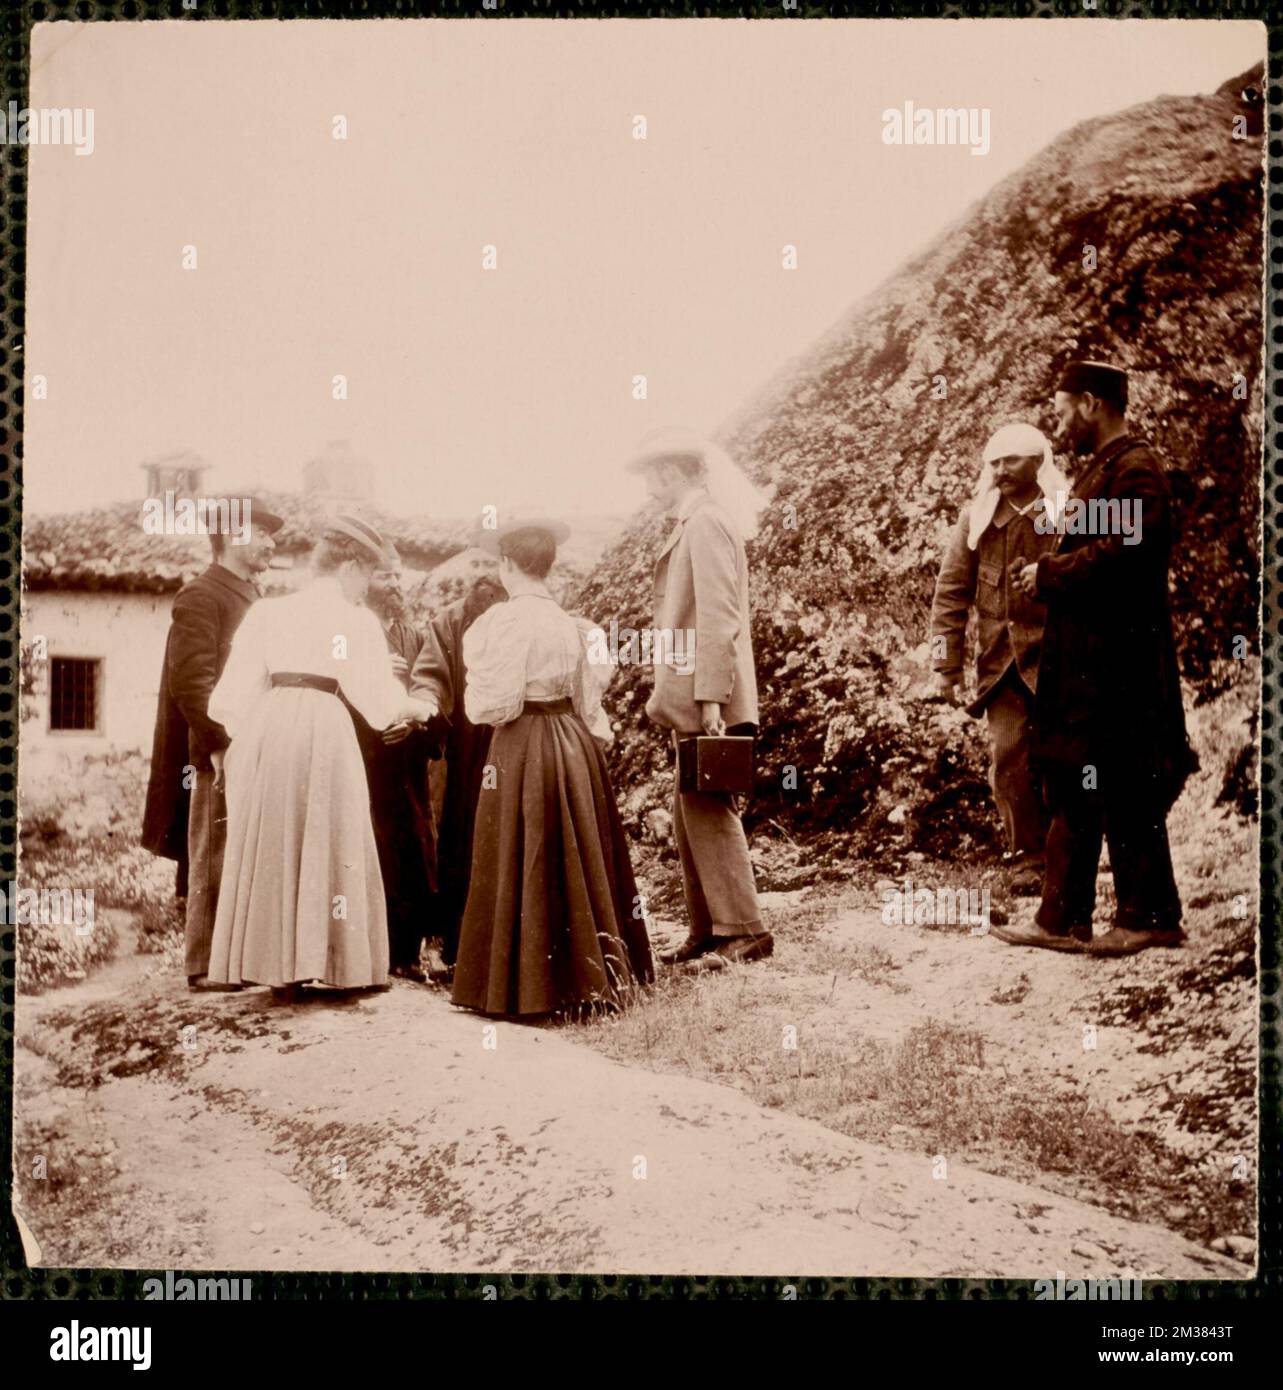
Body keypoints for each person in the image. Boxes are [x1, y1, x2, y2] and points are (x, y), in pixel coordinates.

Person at [998, 360, 1197, 956]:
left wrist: (1048, 573)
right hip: (1089, 663)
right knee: (1073, 780)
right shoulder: (1104, 470)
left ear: (1091, 403)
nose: (1059, 423)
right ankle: (1061, 916)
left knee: (1127, 781)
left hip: (1123, 664)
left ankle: (1150, 916)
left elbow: (1124, 556)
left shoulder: (1137, 471)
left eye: (1063, 410)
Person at [205, 515, 436, 999]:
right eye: (369, 576)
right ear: (350, 567)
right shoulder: (354, 621)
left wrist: (249, 741)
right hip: (326, 726)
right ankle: (335, 962)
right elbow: (378, 698)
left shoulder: (268, 613)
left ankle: (276, 963)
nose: (369, 589)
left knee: (279, 838)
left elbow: (231, 696)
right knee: (330, 836)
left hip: (270, 722)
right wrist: (421, 707)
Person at [450, 519, 654, 1019]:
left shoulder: (499, 623)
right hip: (571, 741)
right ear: (547, 564)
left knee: (520, 849)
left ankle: (523, 985)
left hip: (520, 743)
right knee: (576, 848)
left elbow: (490, 706)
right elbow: (589, 702)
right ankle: (587, 975)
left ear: (506, 565)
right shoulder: (574, 626)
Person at [625, 431, 771, 970]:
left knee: (710, 807)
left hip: (708, 695)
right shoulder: (695, 522)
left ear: (672, 474)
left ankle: (745, 929)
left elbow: (719, 615)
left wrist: (712, 696)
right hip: (693, 693)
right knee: (691, 807)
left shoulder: (706, 522)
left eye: (651, 480)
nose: (648, 491)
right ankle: (707, 928)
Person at [140, 498, 283, 991]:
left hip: (248, 742)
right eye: (262, 533)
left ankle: (235, 960)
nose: (271, 543)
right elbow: (191, 682)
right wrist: (222, 743)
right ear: (233, 537)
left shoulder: (251, 597)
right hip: (217, 751)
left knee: (239, 850)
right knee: (213, 853)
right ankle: (204, 964)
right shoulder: (201, 596)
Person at [928, 423, 1068, 894]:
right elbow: (949, 596)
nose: (1002, 471)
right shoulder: (976, 519)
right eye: (995, 463)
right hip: (1000, 667)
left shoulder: (1067, 511)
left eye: (1012, 461)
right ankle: (1026, 858)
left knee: (1063, 757)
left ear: (1037, 463)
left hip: (1060, 661)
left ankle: (1067, 854)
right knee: (1008, 760)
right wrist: (943, 668)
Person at [409, 555, 506, 981]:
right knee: (464, 835)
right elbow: (430, 672)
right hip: (469, 744)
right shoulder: (449, 621)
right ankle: (462, 941)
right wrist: (427, 702)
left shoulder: (527, 610)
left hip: (518, 738)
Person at [354, 547, 444, 982]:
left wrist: (414, 722)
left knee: (413, 849)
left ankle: (408, 954)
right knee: (373, 849)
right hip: (365, 759)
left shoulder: (415, 634)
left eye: (397, 576)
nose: (393, 584)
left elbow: (432, 690)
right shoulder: (351, 629)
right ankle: (369, 952)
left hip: (406, 761)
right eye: (383, 576)